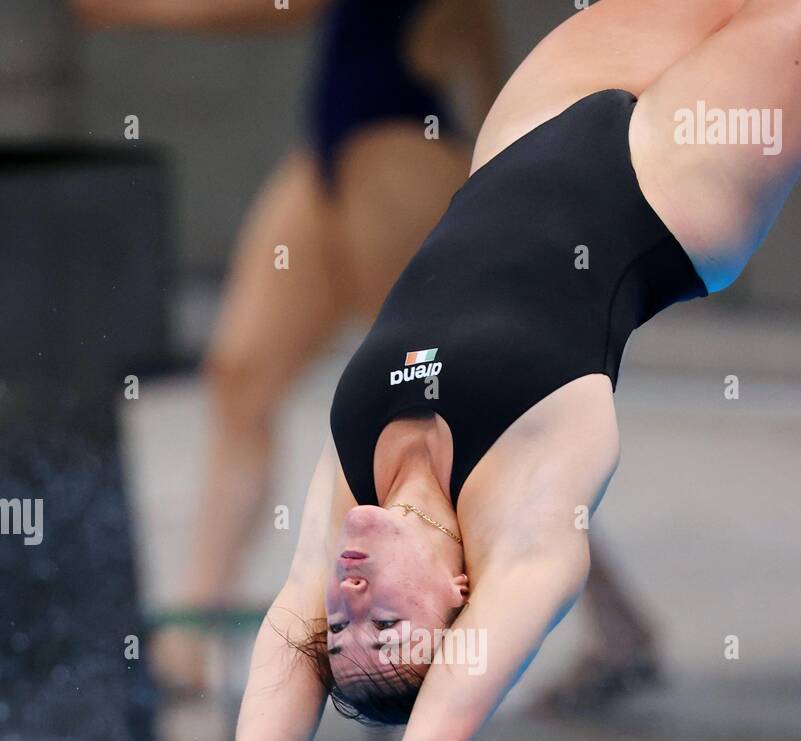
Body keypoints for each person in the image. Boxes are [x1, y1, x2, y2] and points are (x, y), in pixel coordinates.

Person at [203, 0, 801, 741]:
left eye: (341, 622)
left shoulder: (340, 493)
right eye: (383, 625)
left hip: (531, 129)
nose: (348, 592)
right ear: (456, 609)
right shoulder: (525, 536)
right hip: (672, 191)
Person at [72, 0, 500, 690]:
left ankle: (597, 605)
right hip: (330, 157)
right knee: (240, 376)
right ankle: (191, 638)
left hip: (404, 156)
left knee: (452, 411)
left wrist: (134, 10)